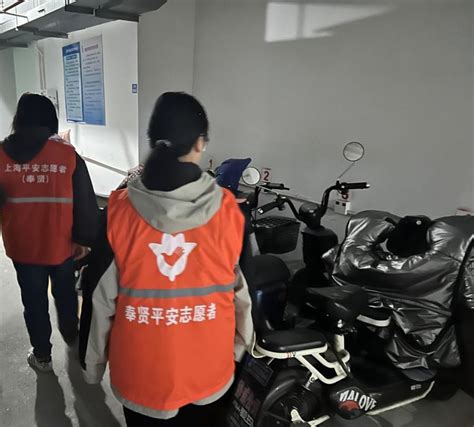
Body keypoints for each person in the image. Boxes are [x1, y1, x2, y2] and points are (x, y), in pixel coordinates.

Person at [80, 92, 254, 426]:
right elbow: (243, 298)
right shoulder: (230, 213)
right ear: (200, 143)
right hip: (210, 373)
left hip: (141, 379)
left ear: (152, 140)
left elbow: (98, 299)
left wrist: (93, 365)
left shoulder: (118, 213)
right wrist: (236, 351)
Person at [0, 93, 99, 372]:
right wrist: (84, 239)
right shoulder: (67, 155)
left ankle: (42, 356)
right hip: (62, 245)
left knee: (33, 301)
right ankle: (71, 335)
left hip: (22, 248)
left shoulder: (1, 156)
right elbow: (85, 202)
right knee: (65, 292)